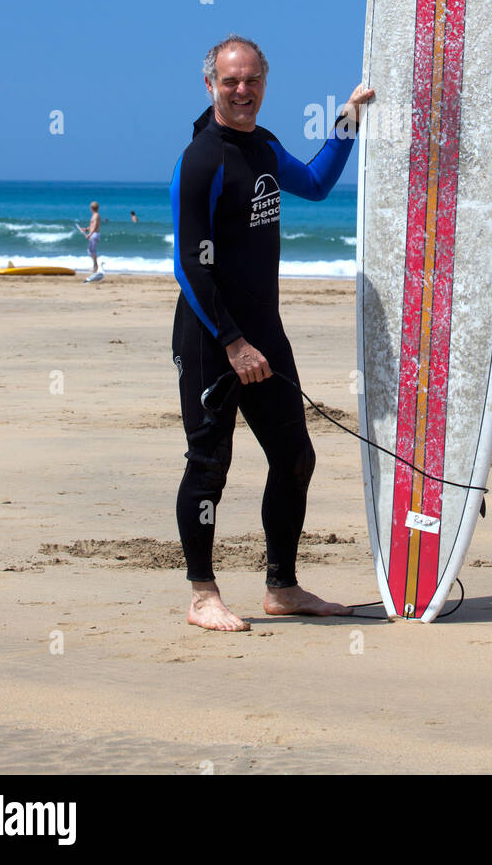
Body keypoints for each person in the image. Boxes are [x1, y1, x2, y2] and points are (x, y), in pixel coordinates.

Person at [170, 34, 373, 632]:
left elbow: (313, 183)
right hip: (213, 340)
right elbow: (188, 263)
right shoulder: (203, 158)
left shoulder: (262, 147)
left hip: (265, 336)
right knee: (210, 463)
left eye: (252, 79)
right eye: (230, 80)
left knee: (294, 457)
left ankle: (282, 587)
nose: (242, 90)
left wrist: (346, 123)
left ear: (264, 83)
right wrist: (232, 342)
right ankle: (203, 593)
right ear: (209, 84)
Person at [80, 202, 102, 281]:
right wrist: (86, 229)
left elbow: (95, 225)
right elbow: (92, 225)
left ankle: (95, 267)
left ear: (91, 208)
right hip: (94, 234)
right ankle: (95, 266)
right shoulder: (95, 215)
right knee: (91, 251)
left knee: (91, 251)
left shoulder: (96, 216)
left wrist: (89, 234)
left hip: (95, 234)